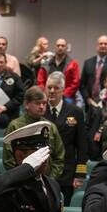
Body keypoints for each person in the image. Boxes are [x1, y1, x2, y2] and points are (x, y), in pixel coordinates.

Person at [45, 72, 88, 203]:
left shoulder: (75, 111)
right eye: (49, 87)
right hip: (44, 170)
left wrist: (80, 173)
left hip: (67, 172)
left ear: (63, 90)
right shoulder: (40, 109)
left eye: (56, 88)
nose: (52, 91)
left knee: (63, 207)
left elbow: (82, 145)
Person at [3, 88, 63, 177]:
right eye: (38, 103)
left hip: (45, 180)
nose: (42, 107)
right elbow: (8, 160)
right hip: (20, 181)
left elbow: (59, 157)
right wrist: (20, 178)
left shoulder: (50, 127)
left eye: (44, 103)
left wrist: (50, 180)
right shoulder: (15, 126)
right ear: (27, 104)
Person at [37, 39, 80, 103]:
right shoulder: (46, 64)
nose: (60, 48)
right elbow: (40, 81)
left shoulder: (73, 64)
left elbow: (75, 83)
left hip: (66, 97)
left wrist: (63, 95)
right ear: (55, 47)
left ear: (66, 48)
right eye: (58, 45)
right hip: (48, 97)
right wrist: (46, 93)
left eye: (63, 46)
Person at [80, 36, 107, 105]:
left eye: (105, 44)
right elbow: (82, 84)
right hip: (90, 102)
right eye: (101, 43)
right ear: (97, 46)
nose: (103, 46)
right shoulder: (88, 62)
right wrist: (87, 98)